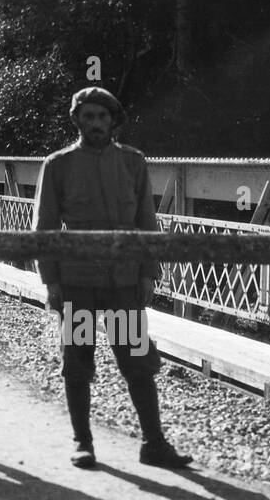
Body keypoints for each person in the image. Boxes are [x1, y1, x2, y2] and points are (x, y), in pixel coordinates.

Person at [32, 86, 192, 469]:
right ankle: (82, 442)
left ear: (113, 121)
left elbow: (146, 223)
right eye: (88, 116)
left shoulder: (133, 162)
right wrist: (51, 281)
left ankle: (154, 444)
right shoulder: (58, 165)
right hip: (78, 280)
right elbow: (45, 227)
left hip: (123, 281)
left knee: (137, 360)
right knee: (78, 360)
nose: (95, 123)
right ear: (77, 121)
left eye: (102, 117)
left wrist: (149, 272)